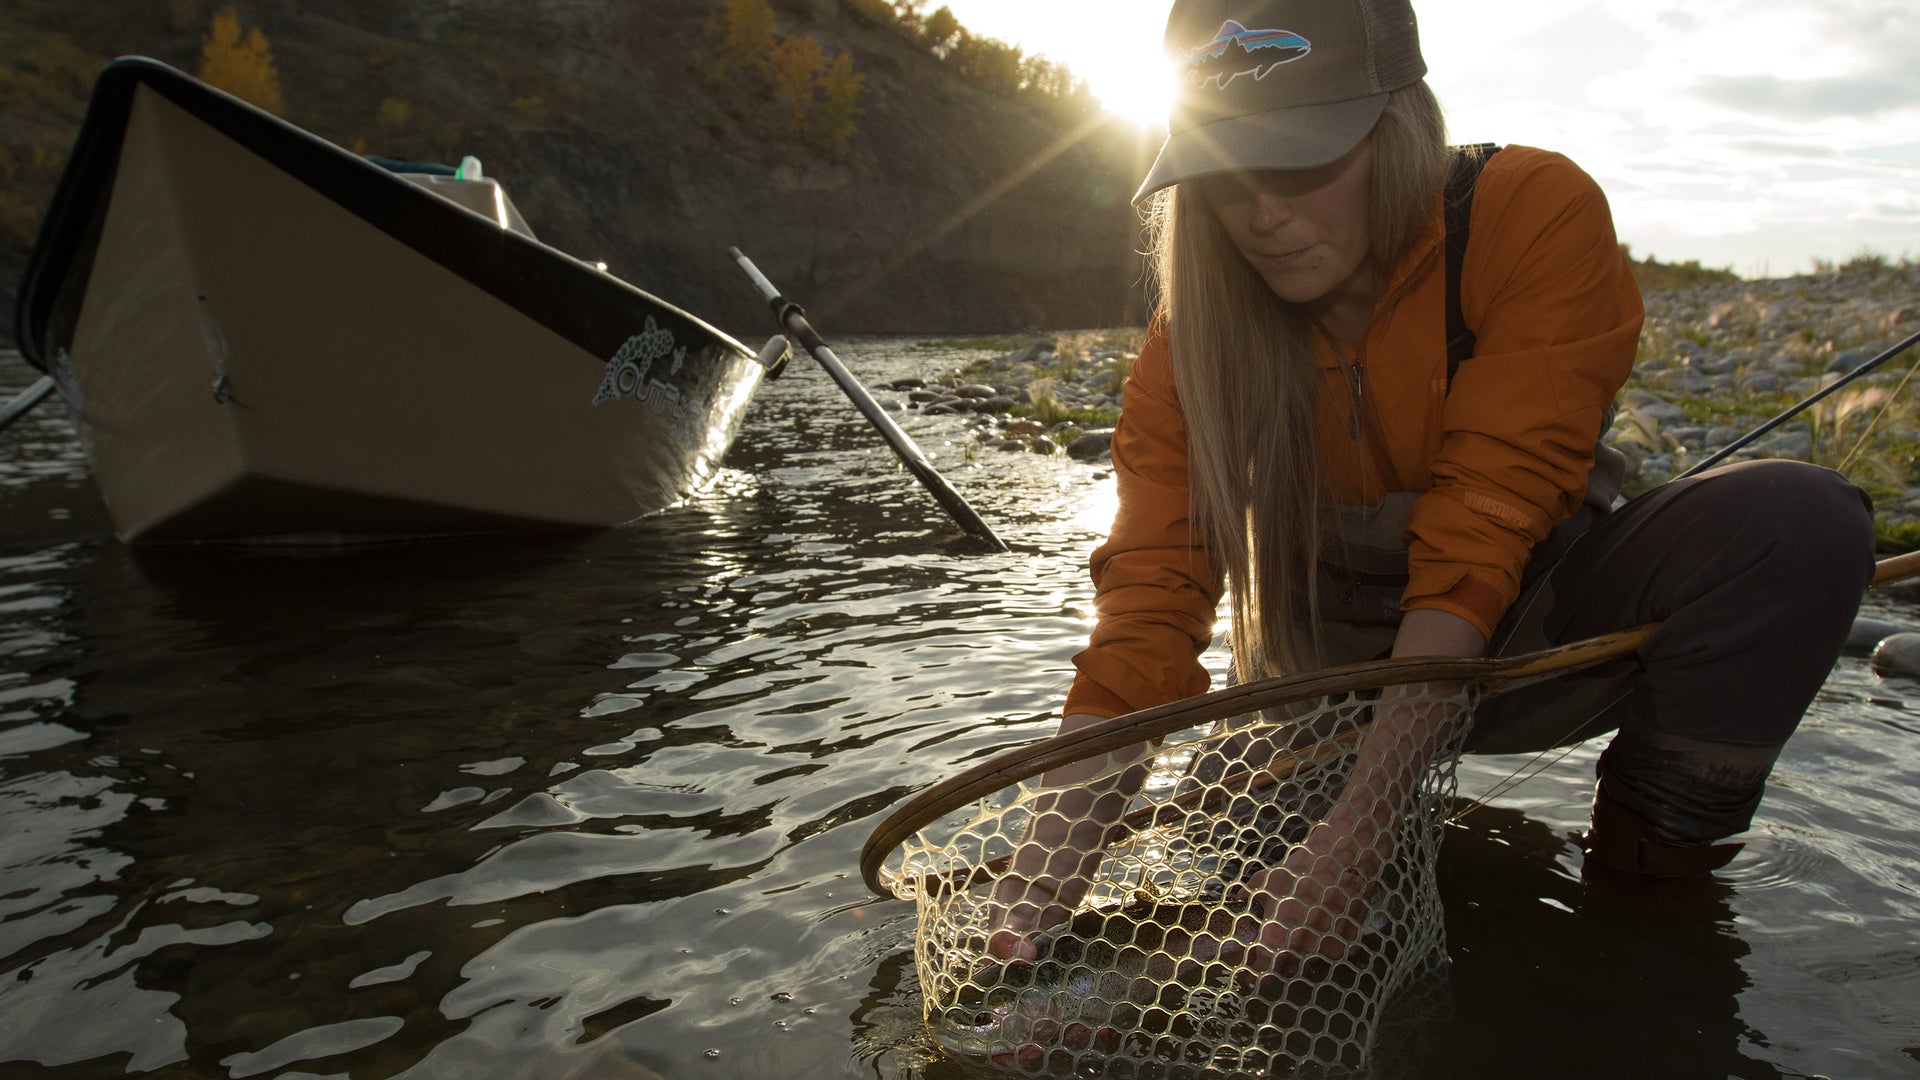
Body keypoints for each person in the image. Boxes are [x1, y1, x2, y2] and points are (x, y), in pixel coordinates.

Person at [985, 0, 1876, 970]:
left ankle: (1645, 897)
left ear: (1398, 122)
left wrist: (1363, 836)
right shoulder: (1188, 338)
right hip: (1314, 685)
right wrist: (1041, 878)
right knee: (1262, 938)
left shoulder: (1532, 214)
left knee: (1801, 524)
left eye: (1298, 158)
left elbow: (1479, 537)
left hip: (1524, 635)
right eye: (1222, 171)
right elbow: (1149, 604)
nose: (1260, 212)